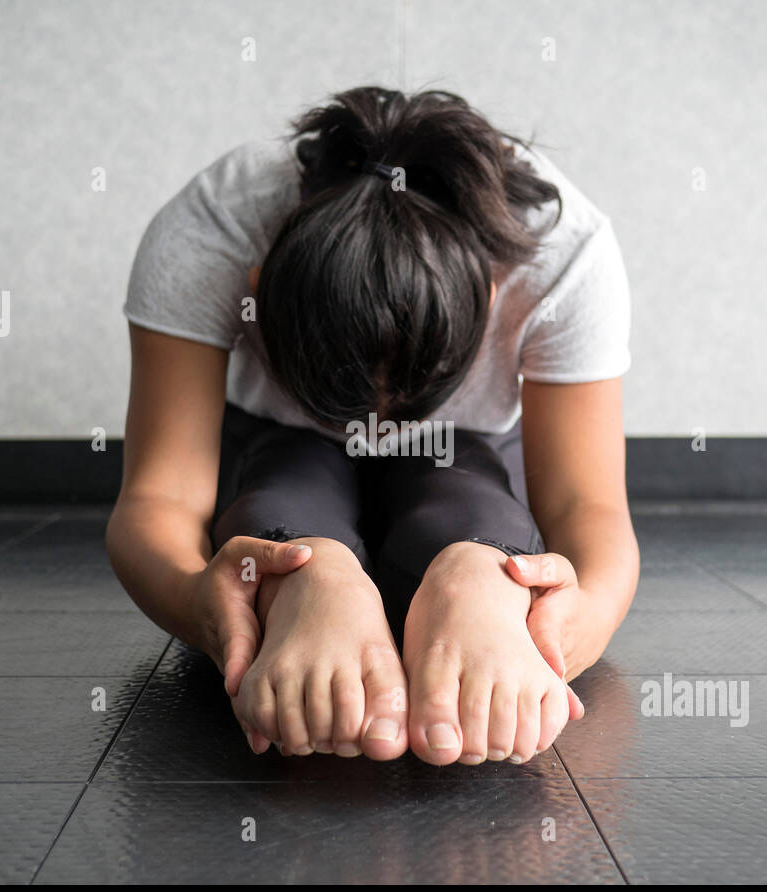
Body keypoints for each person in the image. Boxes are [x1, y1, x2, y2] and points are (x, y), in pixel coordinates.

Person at [106, 86, 639, 766]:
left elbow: (585, 506)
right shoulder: (212, 230)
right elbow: (159, 497)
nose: (373, 428)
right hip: (279, 440)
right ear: (259, 287)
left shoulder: (563, 252)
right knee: (283, 499)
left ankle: (472, 578)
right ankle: (308, 577)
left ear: (493, 293)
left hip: (460, 452)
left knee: (469, 507)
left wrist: (558, 628)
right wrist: (205, 600)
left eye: (410, 392)